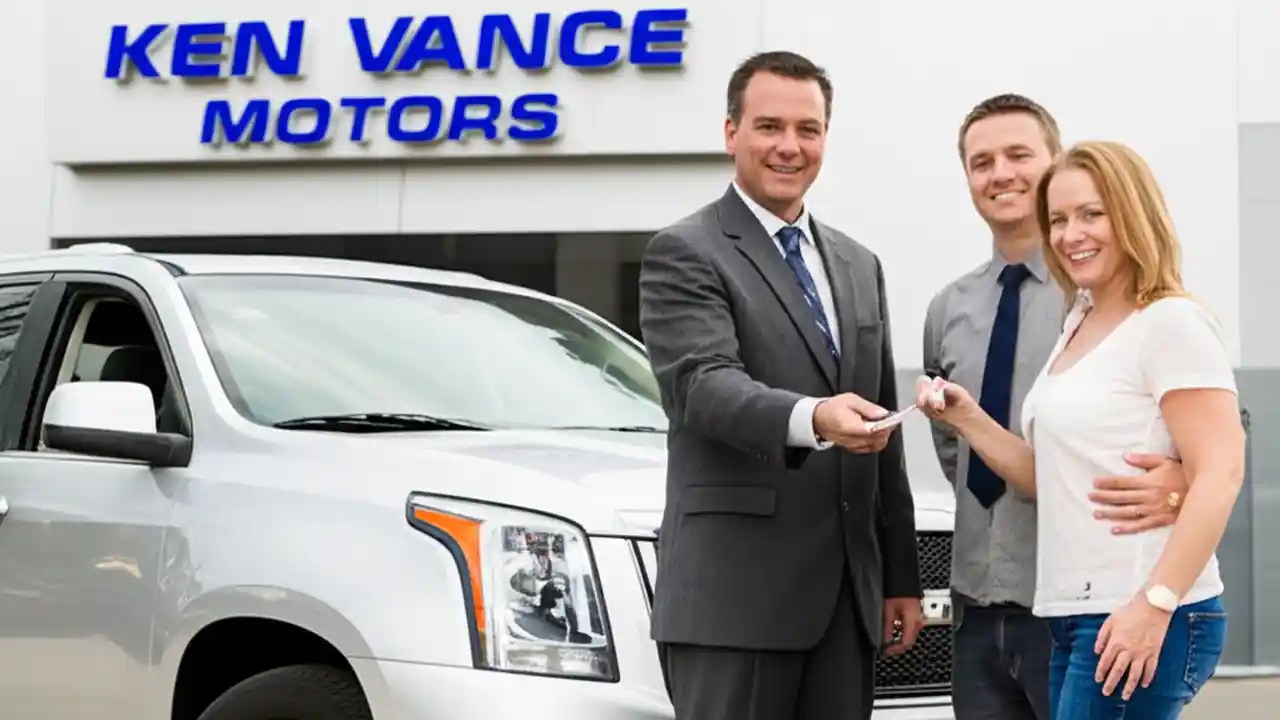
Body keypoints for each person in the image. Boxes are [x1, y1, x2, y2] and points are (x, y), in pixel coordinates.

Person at [638, 50, 922, 720]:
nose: (789, 147)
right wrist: (816, 417)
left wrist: (900, 579)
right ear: (731, 132)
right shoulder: (686, 251)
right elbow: (703, 387)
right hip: (734, 606)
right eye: (769, 127)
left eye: (808, 129)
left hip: (846, 608)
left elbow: (885, 433)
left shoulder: (858, 263)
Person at [917, 139, 1245, 718]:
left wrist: (1154, 604)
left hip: (1141, 608)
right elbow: (1049, 478)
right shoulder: (1079, 322)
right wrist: (965, 415)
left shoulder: (1170, 320)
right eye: (1059, 220)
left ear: (1134, 214)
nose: (1071, 235)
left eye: (1093, 214)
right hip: (1073, 614)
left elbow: (1221, 470)